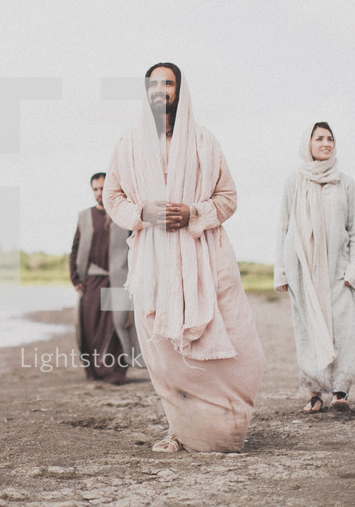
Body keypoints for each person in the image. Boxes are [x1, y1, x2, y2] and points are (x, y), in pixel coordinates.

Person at [103, 62, 265, 453]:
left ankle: (227, 424)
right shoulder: (128, 143)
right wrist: (142, 214)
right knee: (165, 353)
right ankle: (178, 431)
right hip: (153, 259)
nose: (160, 89)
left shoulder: (205, 142)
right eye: (153, 83)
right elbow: (113, 197)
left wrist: (193, 213)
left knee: (241, 348)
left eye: (168, 83)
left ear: (180, 90)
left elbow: (228, 198)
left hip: (204, 254)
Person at [274, 122, 355, 413]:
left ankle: (340, 390)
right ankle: (314, 393)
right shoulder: (293, 182)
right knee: (308, 330)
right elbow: (283, 228)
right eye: (319, 138)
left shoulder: (345, 183)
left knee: (345, 329)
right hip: (302, 270)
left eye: (330, 139)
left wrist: (354, 272)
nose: (326, 143)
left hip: (339, 270)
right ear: (307, 144)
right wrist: (281, 271)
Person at [69, 172, 136, 385]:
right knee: (90, 327)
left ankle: (115, 373)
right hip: (92, 280)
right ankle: (94, 372)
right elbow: (75, 248)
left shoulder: (124, 216)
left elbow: (137, 247)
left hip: (117, 280)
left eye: (103, 188)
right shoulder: (85, 216)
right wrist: (75, 276)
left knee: (116, 326)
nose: (99, 193)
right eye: (95, 189)